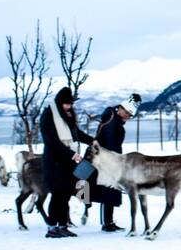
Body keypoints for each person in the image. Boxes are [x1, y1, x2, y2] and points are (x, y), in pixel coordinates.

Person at [39, 87, 94, 239]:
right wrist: (71, 155)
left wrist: (93, 140)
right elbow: (52, 141)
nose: (69, 107)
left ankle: (63, 225)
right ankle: (52, 227)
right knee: (57, 195)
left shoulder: (66, 115)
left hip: (68, 163)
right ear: (59, 102)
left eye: (70, 104)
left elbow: (77, 134)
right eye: (66, 104)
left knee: (65, 195)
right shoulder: (49, 115)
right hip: (55, 162)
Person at [91, 95, 140, 232]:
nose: (127, 117)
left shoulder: (112, 118)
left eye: (130, 115)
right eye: (127, 114)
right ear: (121, 109)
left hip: (105, 159)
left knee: (109, 190)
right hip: (104, 160)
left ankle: (108, 222)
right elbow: (112, 146)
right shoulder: (113, 124)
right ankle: (106, 223)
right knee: (105, 190)